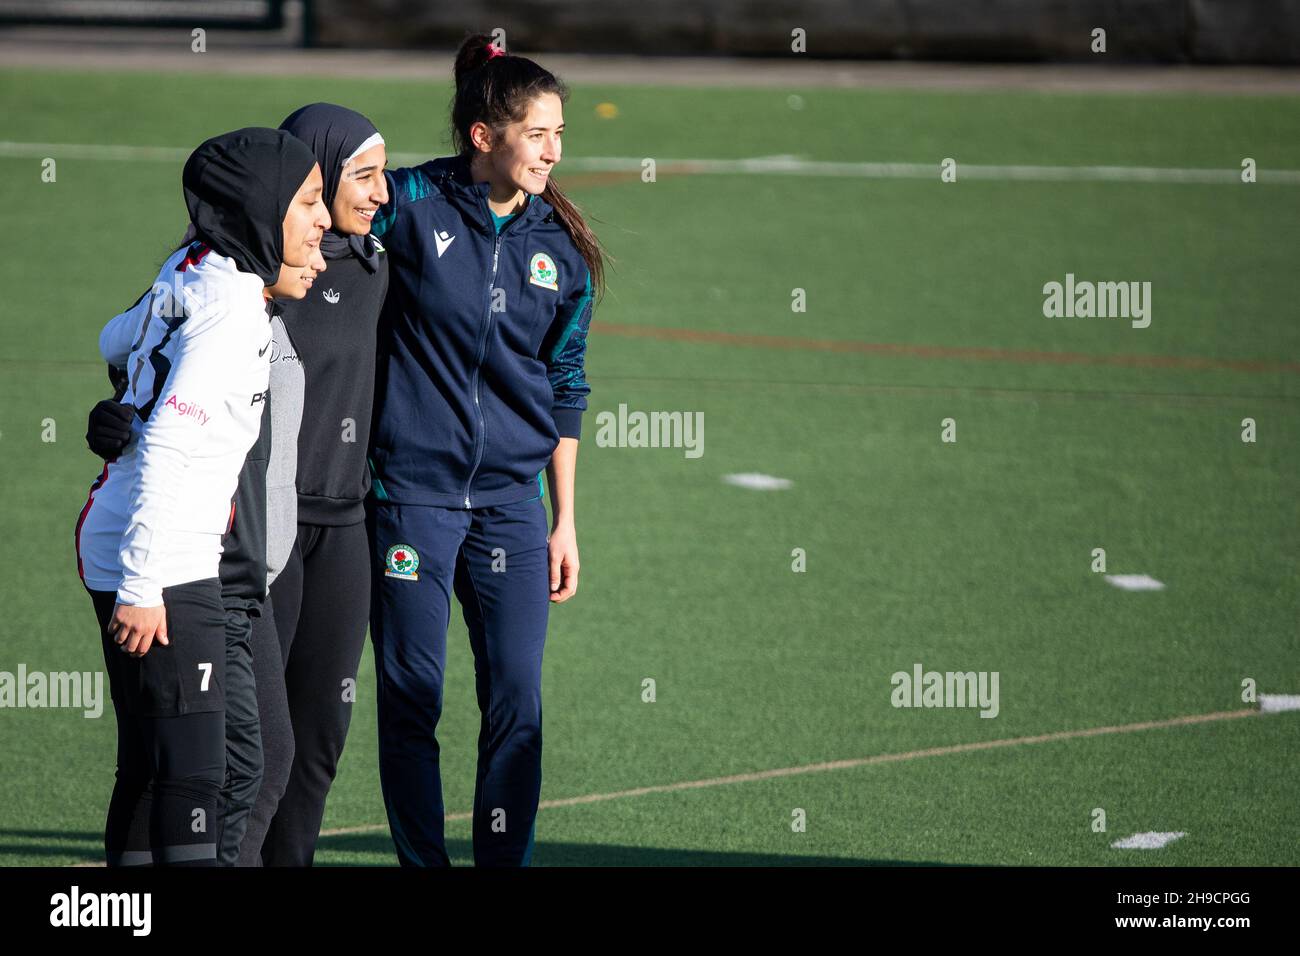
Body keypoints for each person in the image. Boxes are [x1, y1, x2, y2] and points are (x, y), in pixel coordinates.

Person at [365, 34, 605, 866]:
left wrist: (564, 521)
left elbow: (566, 387)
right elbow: (312, 209)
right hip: (410, 499)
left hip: (511, 510)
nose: (554, 150)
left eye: (560, 134)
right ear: (483, 136)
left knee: (516, 703)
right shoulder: (407, 204)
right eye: (538, 132)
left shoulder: (561, 254)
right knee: (411, 700)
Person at [74, 127, 329, 866]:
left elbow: (113, 339)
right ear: (261, 209)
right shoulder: (233, 312)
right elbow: (167, 446)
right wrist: (144, 582)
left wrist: (144, 368)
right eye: (308, 202)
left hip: (119, 539)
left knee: (153, 767)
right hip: (167, 561)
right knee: (195, 776)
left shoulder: (195, 270)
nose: (321, 220)